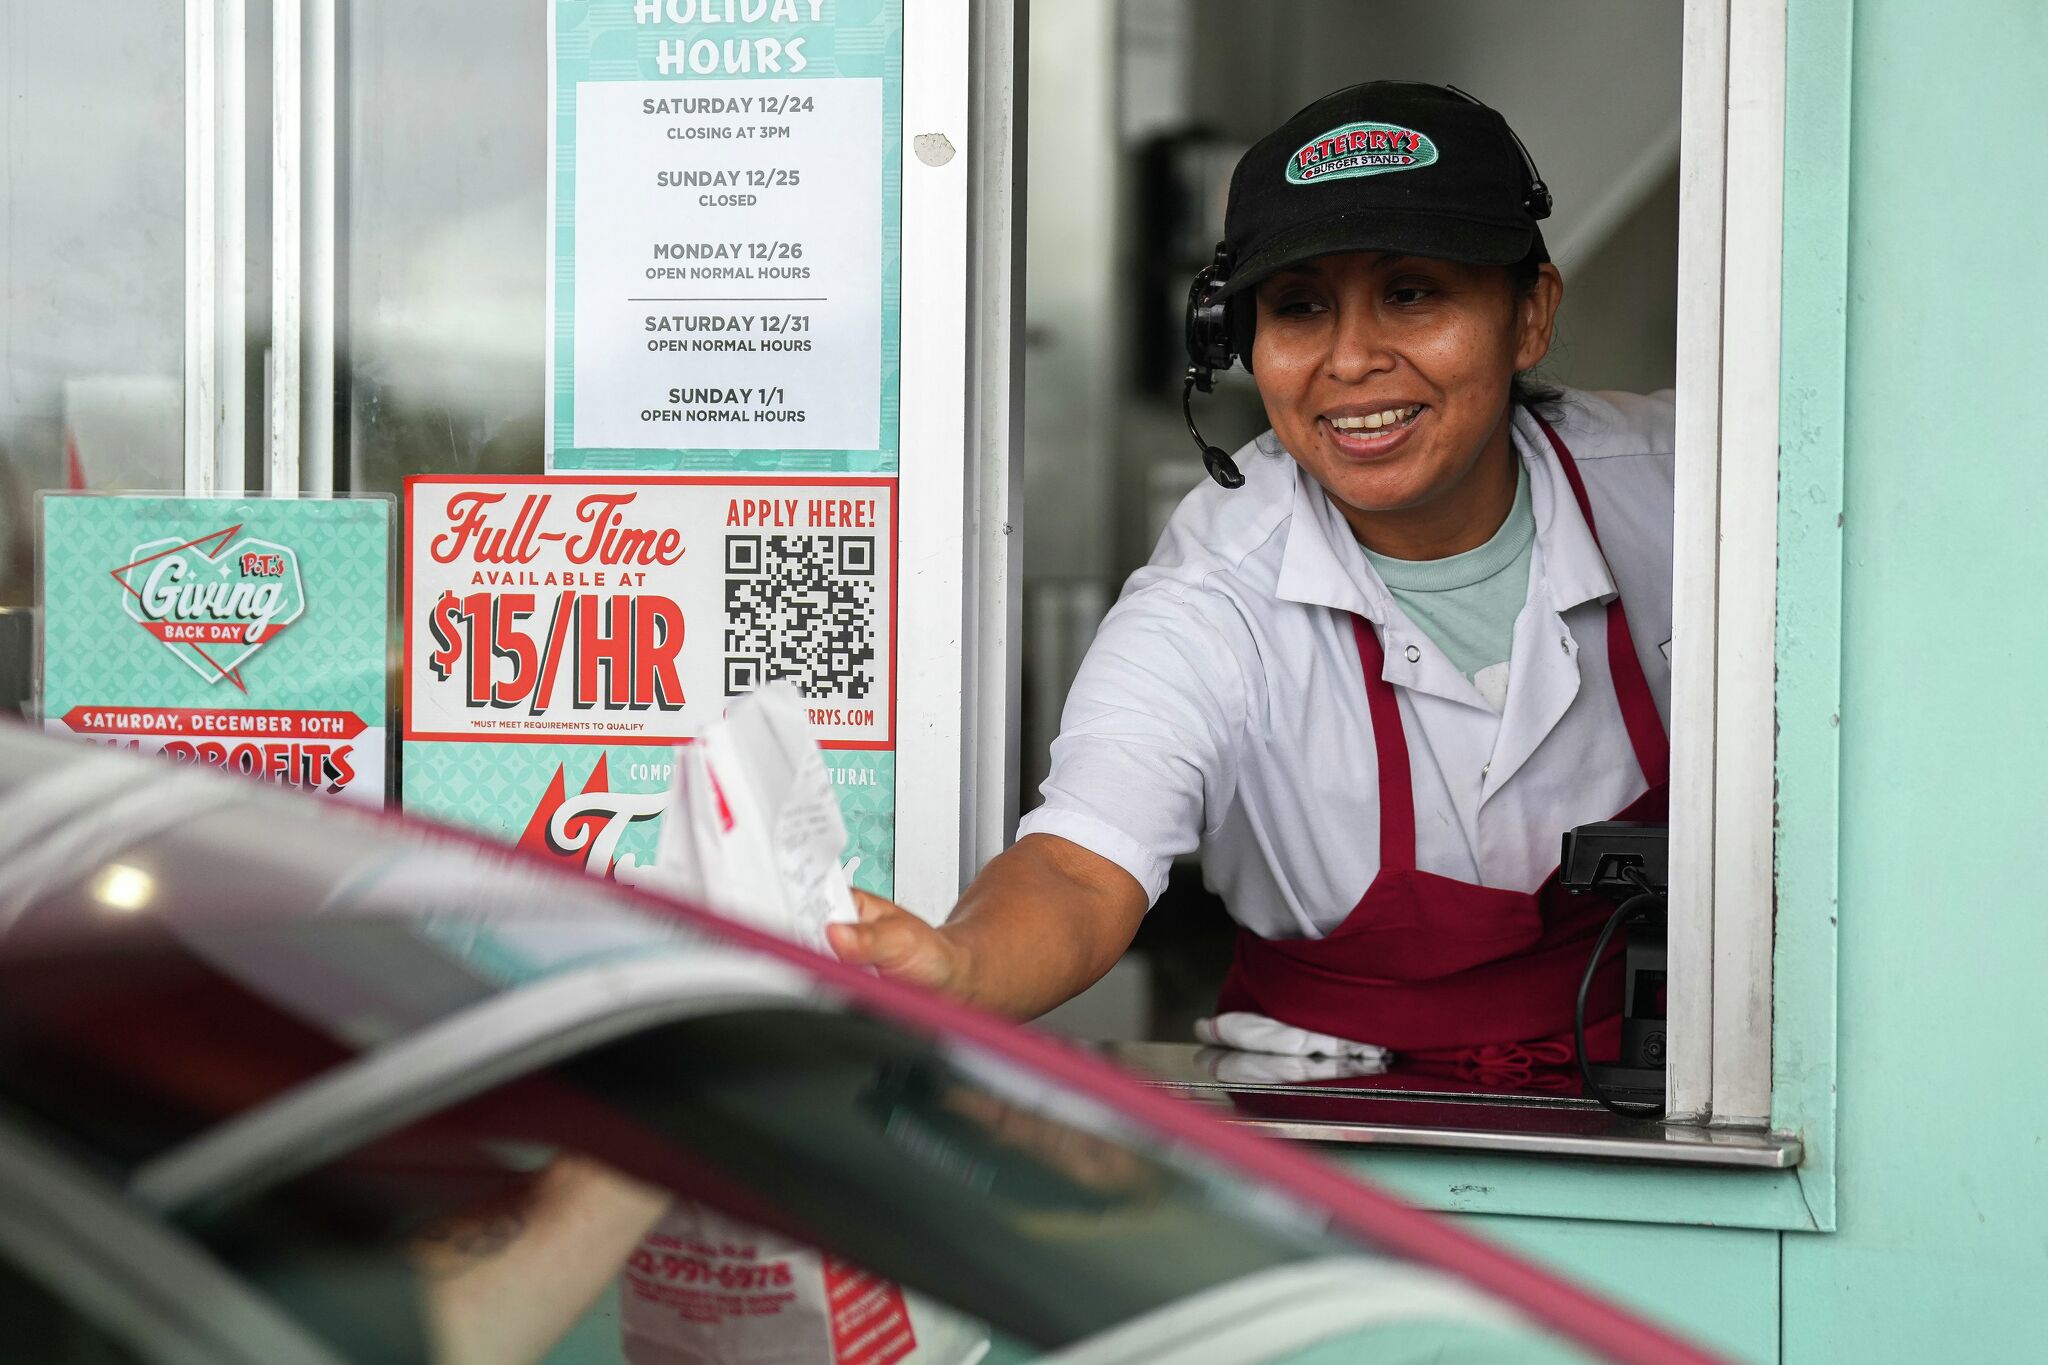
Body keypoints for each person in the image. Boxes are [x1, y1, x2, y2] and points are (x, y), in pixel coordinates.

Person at [829, 81, 1673, 1080]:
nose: (1350, 359)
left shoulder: (1694, 496)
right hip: (1326, 1100)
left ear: (1527, 317)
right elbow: (1079, 862)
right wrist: (960, 968)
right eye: (1299, 307)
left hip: (1660, 1078)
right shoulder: (1215, 589)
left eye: (1411, 292)